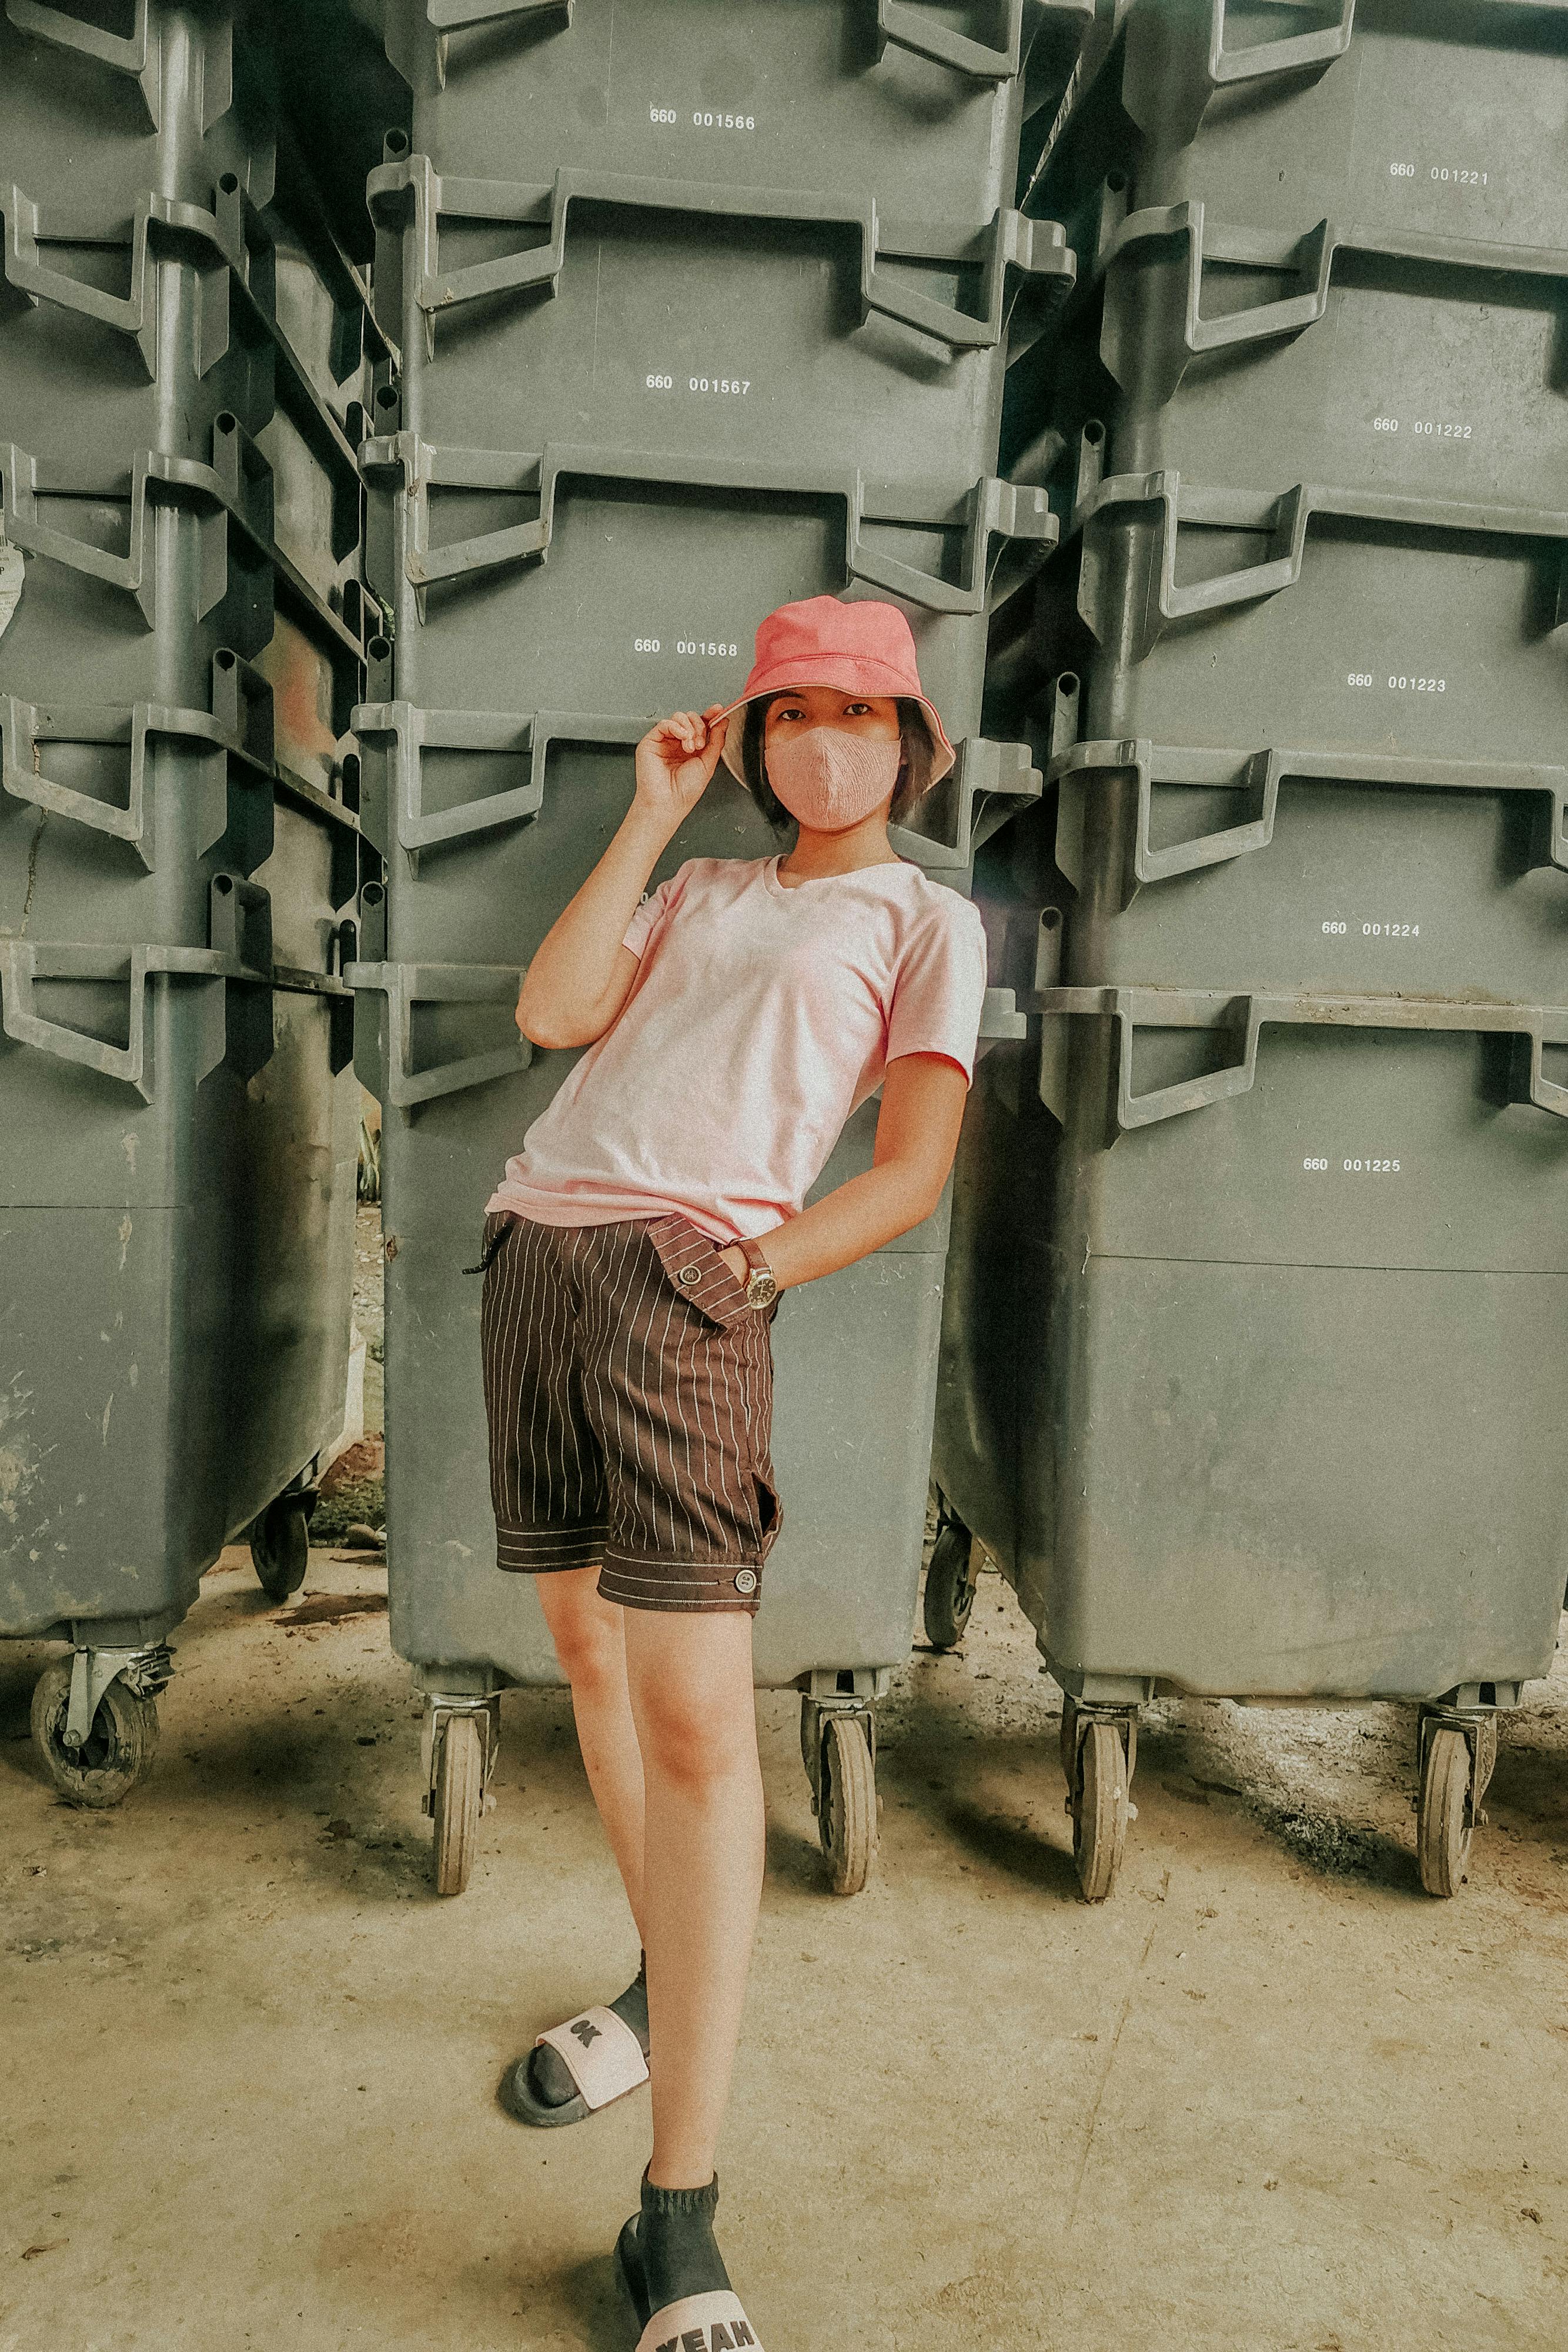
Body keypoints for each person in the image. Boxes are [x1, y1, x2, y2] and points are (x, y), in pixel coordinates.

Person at [474, 594, 988, 2350]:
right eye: (792, 713)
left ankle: (676, 2210)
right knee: (585, 1657)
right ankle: (652, 1987)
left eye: (859, 712)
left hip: (694, 1286)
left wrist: (745, 1276)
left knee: (699, 1726)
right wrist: (650, 812)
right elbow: (554, 1011)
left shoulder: (927, 920)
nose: (825, 741)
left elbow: (908, 1170)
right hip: (538, 1255)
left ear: (909, 741)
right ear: (755, 741)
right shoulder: (697, 884)